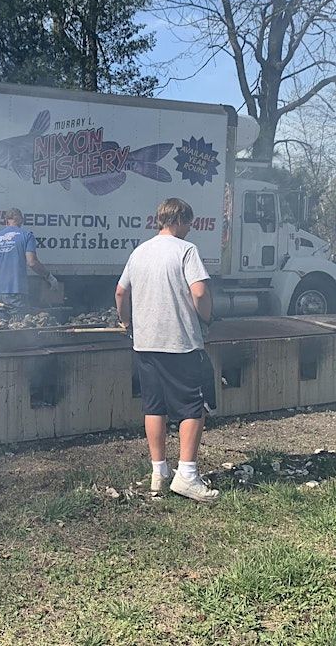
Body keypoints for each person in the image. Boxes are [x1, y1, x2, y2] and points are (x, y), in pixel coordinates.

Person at [115, 198, 219, 503]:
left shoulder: (139, 252)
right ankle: (187, 476)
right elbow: (199, 292)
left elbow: (121, 291)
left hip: (144, 343)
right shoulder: (186, 250)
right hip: (180, 343)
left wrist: (125, 321)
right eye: (189, 224)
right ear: (181, 221)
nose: (189, 230)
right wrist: (207, 316)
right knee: (191, 407)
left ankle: (159, 472)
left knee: (154, 406)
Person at [0, 208, 57, 318]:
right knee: (18, 328)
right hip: (16, 290)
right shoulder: (26, 235)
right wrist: (49, 276)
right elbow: (32, 262)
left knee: (4, 327)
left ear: (6, 221)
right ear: (21, 220)